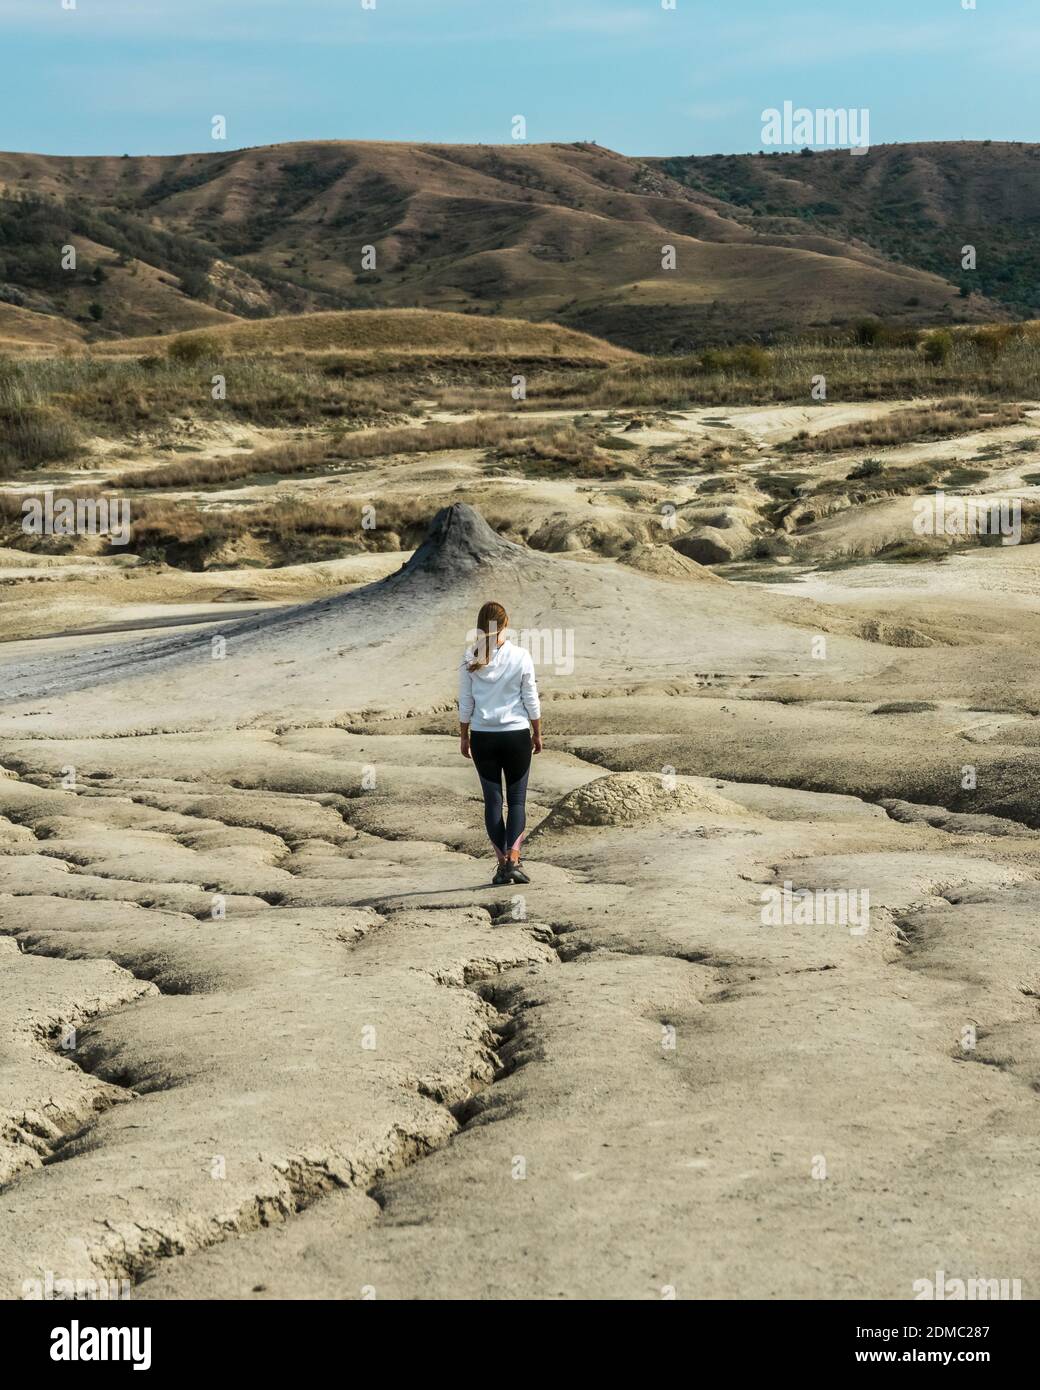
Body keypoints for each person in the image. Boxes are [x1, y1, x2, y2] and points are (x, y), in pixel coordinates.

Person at [458, 601, 542, 886]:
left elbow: (466, 701)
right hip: (516, 734)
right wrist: (537, 731)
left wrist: (464, 734)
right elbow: (531, 696)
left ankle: (502, 865)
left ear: (480, 623)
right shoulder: (520, 655)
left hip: (484, 736)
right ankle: (514, 861)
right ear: (505, 624)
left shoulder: (471, 656)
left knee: (493, 801)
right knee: (516, 800)